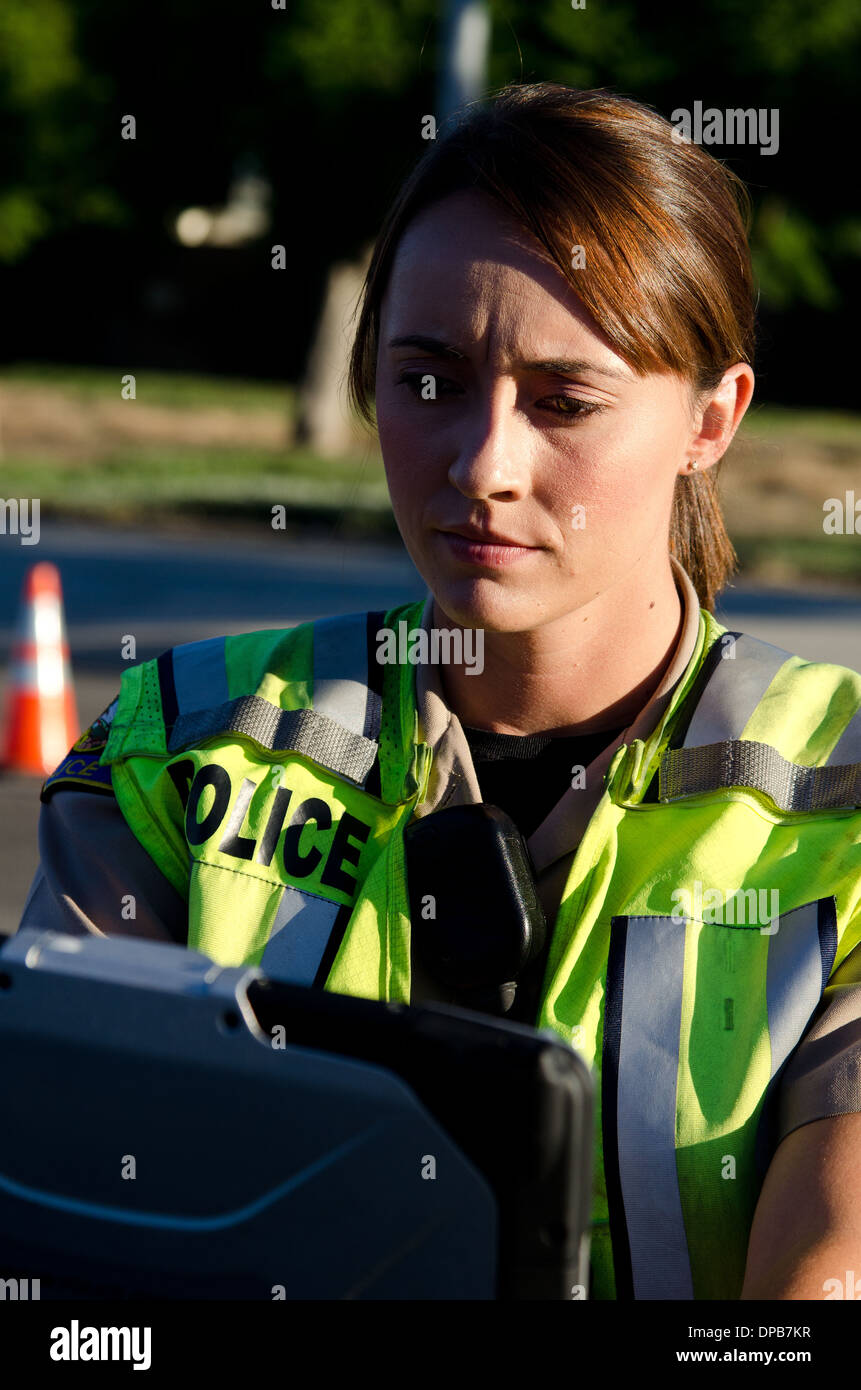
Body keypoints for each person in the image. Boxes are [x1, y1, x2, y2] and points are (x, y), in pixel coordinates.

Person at [19, 83, 861, 1302]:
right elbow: (78, 1214)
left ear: (711, 420)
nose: (483, 463)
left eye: (566, 400)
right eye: (428, 382)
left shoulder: (840, 814)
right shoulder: (182, 753)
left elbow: (818, 1282)